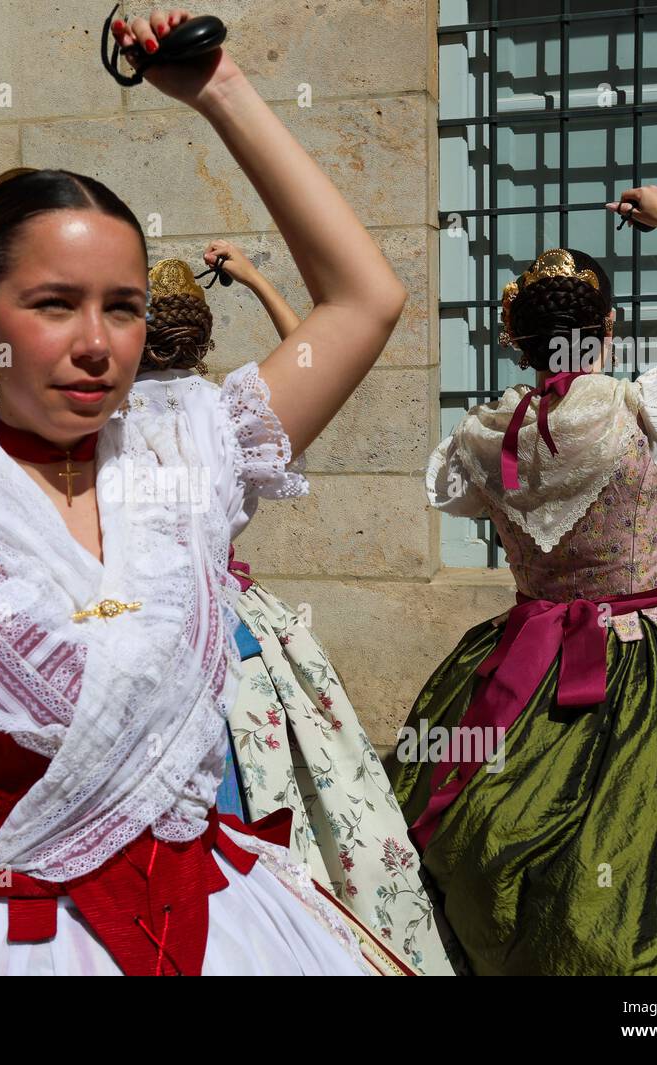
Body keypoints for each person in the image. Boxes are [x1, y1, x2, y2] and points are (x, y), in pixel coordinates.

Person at [0, 7, 415, 976]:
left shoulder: (188, 439)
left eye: (124, 307)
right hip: (16, 943)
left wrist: (218, 90)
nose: (97, 343)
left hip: (226, 922)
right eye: (54, 304)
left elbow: (363, 301)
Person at [388, 186, 657, 975]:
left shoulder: (480, 437)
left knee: (491, 834)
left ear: (515, 336)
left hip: (521, 662)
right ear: (607, 328)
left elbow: (451, 492)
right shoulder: (646, 410)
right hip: (656, 653)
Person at [138, 248, 452, 975]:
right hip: (237, 634)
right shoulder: (231, 415)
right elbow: (318, 348)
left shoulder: (93, 421)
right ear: (203, 339)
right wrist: (256, 280)